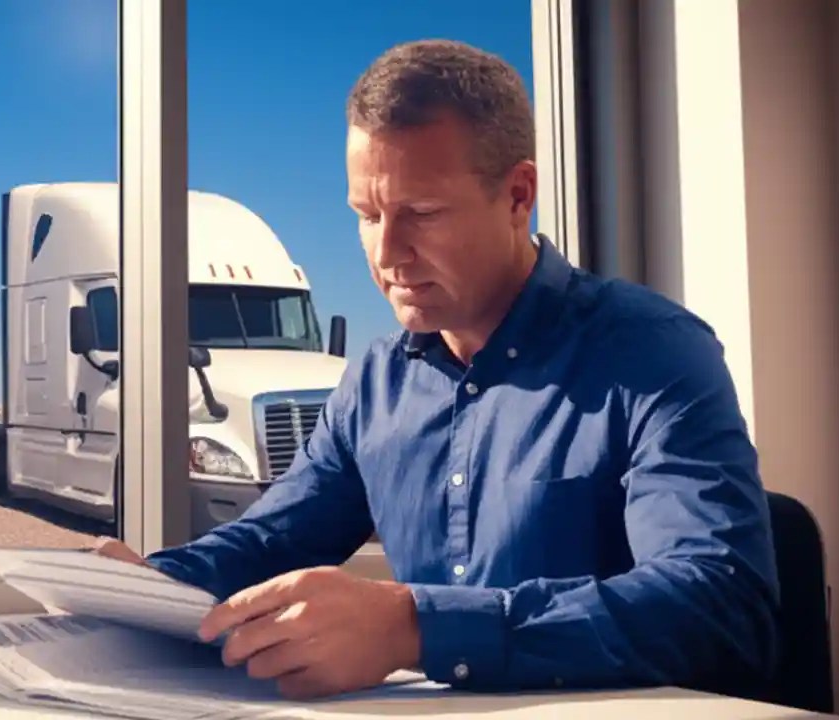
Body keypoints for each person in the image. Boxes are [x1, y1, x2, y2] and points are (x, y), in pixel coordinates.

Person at [98, 38, 780, 702]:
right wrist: (143, 587)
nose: (387, 252)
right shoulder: (374, 386)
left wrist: (415, 628)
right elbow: (271, 540)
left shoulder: (652, 353)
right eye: (366, 215)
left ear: (518, 196)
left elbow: (719, 600)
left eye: (420, 213)